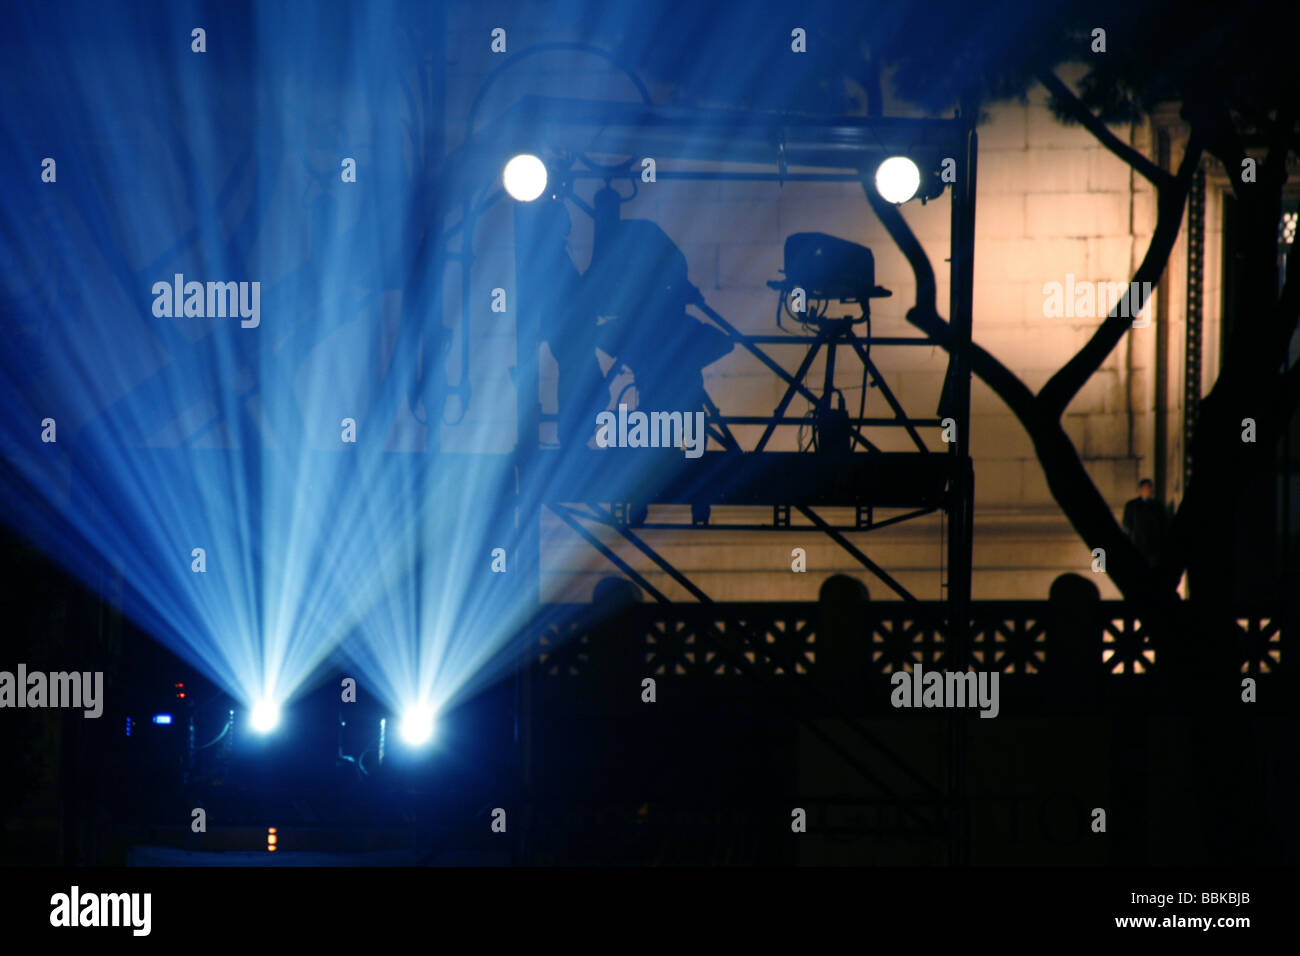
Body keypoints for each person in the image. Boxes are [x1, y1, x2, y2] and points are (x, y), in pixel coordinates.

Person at [1122, 478, 1166, 566]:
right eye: (1148, 487)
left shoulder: (1158, 506)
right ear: (1141, 489)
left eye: (1151, 487)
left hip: (1154, 545)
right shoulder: (1132, 505)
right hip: (1138, 543)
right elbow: (1127, 524)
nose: (1150, 490)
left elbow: (1163, 524)